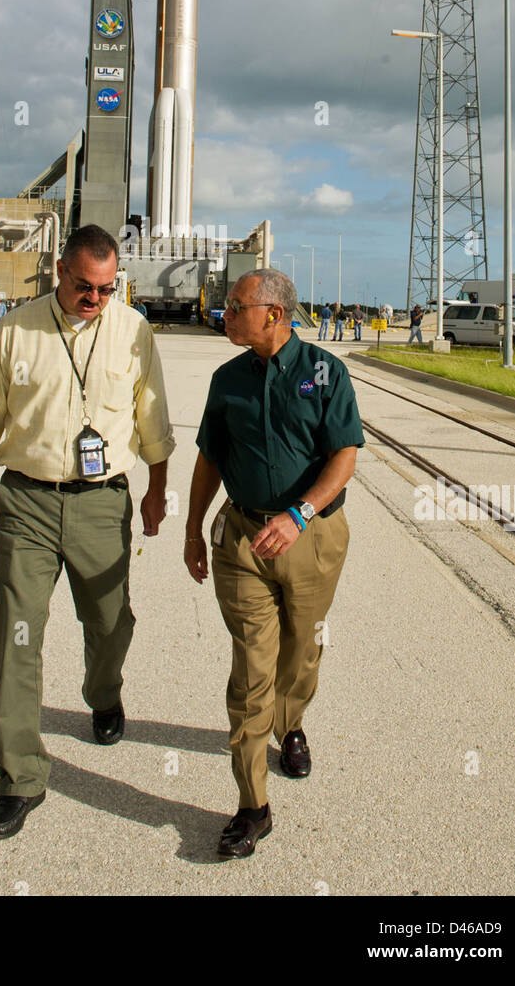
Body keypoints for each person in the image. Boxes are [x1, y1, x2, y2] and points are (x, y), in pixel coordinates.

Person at [0, 224, 175, 841]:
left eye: (106, 289)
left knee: (110, 622)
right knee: (16, 637)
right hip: (26, 500)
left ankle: (103, 692)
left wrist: (158, 492)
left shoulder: (132, 330)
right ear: (59, 269)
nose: (95, 300)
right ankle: (20, 779)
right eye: (84, 286)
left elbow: (152, 416)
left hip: (103, 503)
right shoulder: (16, 329)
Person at [183, 268, 363, 859]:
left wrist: (300, 515)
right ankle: (252, 804)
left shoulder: (325, 373)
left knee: (301, 649)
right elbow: (211, 458)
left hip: (311, 537)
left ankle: (292, 724)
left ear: (274, 316)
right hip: (243, 540)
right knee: (251, 667)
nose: (225, 314)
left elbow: (343, 458)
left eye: (236, 307)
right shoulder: (227, 379)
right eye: (227, 306)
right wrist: (191, 529)